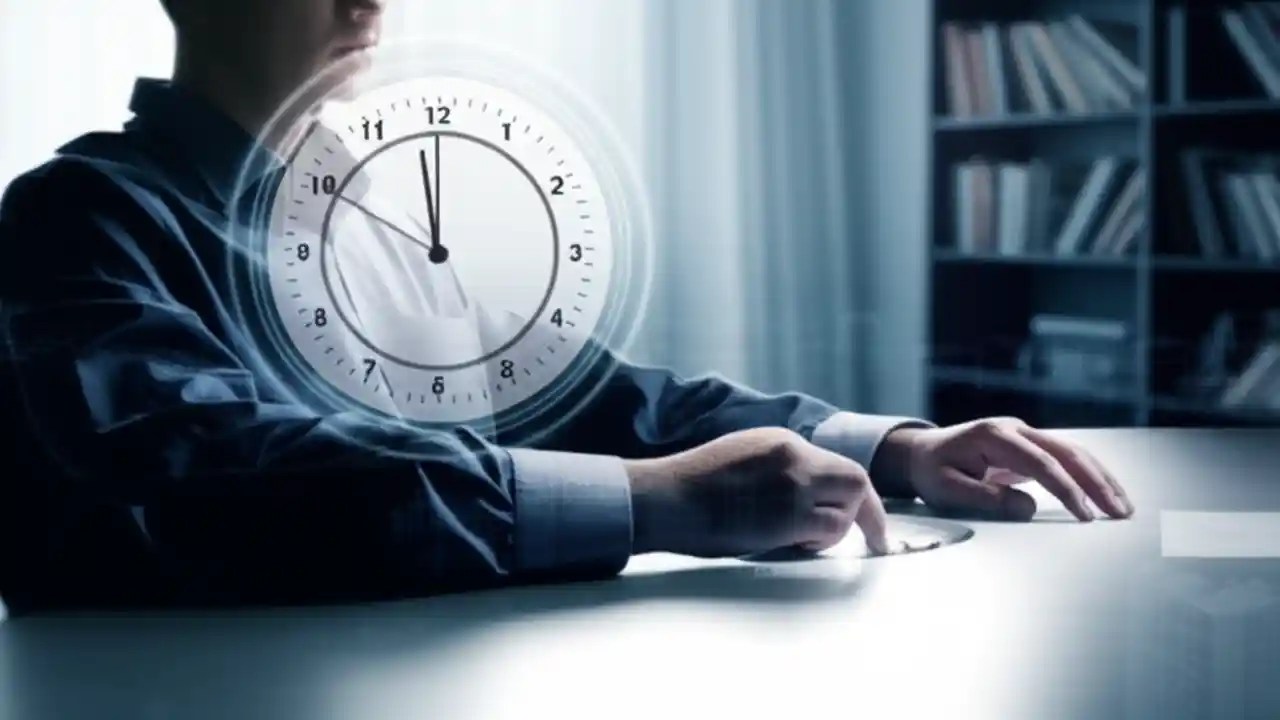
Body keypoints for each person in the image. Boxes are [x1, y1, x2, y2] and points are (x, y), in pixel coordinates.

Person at [0, 0, 1132, 615]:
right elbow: (209, 470)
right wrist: (648, 504)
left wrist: (892, 445)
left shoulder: (366, 213)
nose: (369, 2)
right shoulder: (74, 216)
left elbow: (584, 392)